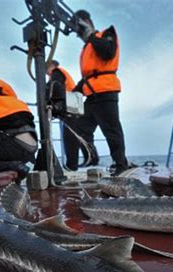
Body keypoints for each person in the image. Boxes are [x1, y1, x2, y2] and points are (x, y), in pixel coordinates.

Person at [72, 9, 129, 176]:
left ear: (87, 23)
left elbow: (108, 52)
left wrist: (90, 35)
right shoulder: (89, 46)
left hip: (106, 93)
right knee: (80, 129)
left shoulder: (106, 34)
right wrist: (72, 93)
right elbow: (87, 77)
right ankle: (92, 159)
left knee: (111, 129)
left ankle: (121, 164)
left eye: (80, 31)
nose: (79, 36)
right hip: (91, 96)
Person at [46, 60, 98, 171]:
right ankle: (92, 160)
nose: (46, 71)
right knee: (80, 134)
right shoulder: (60, 73)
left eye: (47, 67)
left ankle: (72, 165)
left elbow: (53, 86)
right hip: (74, 107)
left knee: (70, 137)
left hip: (69, 108)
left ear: (53, 66)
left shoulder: (57, 72)